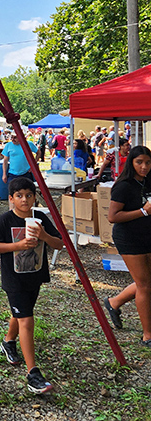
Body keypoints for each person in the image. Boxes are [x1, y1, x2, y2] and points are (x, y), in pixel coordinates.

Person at [0, 177, 63, 394]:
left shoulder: (39, 218)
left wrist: (44, 235)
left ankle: (8, 341)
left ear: (34, 197)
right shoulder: (5, 220)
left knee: (21, 312)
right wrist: (18, 245)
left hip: (34, 276)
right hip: (13, 279)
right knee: (27, 320)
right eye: (19, 196)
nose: (24, 200)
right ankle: (33, 373)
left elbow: (60, 243)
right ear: (11, 199)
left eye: (29, 195)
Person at [104, 146, 151, 347]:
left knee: (147, 282)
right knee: (144, 285)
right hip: (129, 238)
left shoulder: (148, 182)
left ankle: (114, 303)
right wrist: (143, 211)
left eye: (148, 162)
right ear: (131, 162)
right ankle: (148, 335)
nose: (144, 166)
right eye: (139, 162)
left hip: (147, 235)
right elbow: (113, 217)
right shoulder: (123, 186)